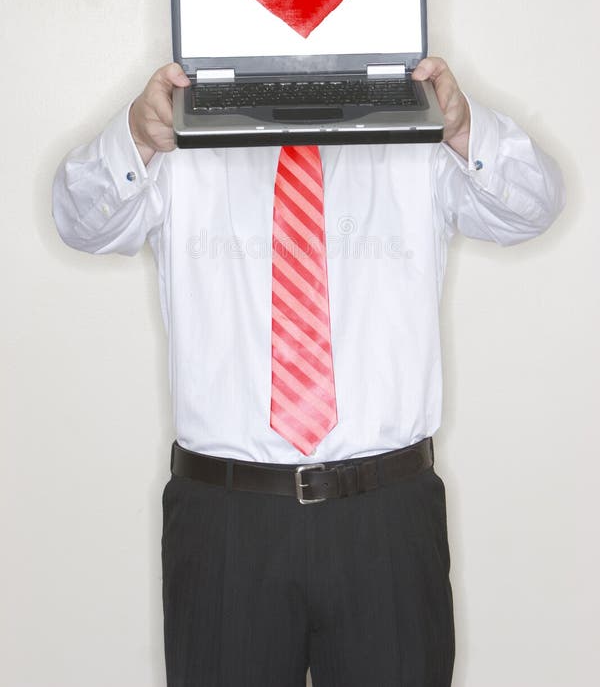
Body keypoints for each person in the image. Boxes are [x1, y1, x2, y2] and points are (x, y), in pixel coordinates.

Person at [52, 57, 565, 687]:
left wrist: (463, 129)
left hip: (386, 518)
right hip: (226, 524)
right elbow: (81, 223)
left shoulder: (415, 135)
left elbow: (533, 208)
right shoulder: (182, 136)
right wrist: (136, 134)